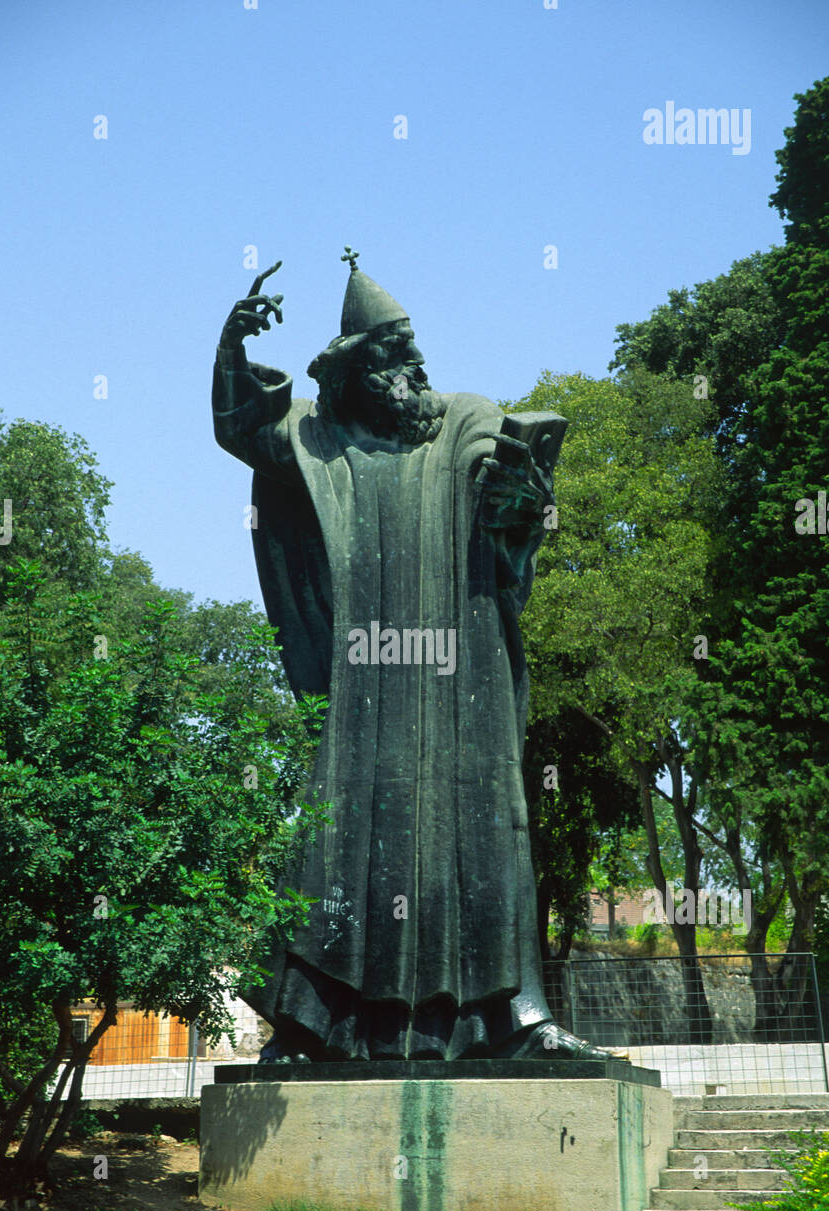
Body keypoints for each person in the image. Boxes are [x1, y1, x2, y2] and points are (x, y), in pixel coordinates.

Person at [212, 250, 610, 1062]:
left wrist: (520, 502)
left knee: (485, 831)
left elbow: (509, 508)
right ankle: (314, 1024)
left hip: (466, 675)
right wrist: (230, 352)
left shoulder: (464, 417)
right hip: (365, 686)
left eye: (413, 349)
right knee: (345, 837)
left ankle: (511, 1021)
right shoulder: (317, 443)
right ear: (354, 372)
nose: (413, 367)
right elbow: (245, 431)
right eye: (392, 355)